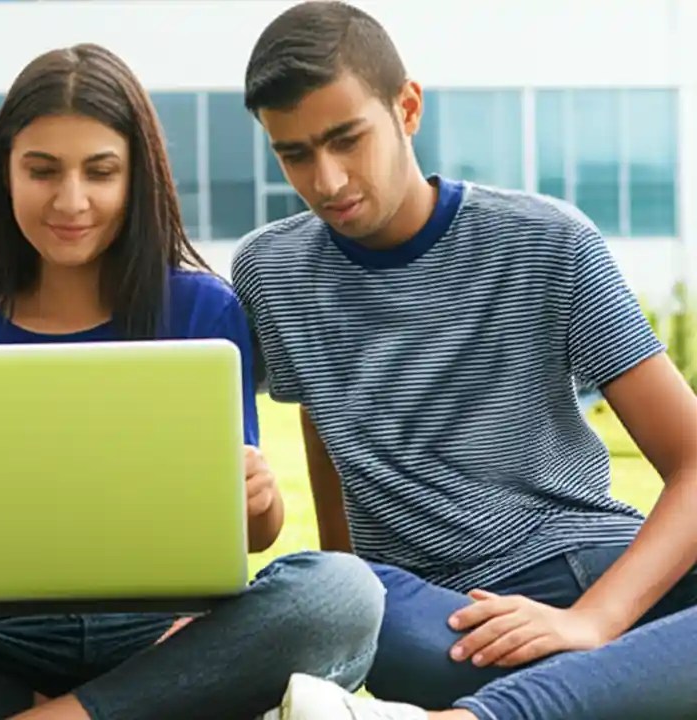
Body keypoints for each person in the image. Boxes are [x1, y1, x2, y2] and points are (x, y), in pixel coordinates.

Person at [0, 43, 384, 720]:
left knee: (343, 591)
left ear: (136, 178)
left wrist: (257, 500)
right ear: (5, 174)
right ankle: (101, 712)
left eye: (100, 172)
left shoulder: (202, 309)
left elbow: (255, 538)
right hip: (2, 646)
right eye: (43, 171)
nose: (71, 200)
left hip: (169, 642)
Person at [230, 2, 697, 719]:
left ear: (407, 108)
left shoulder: (551, 242)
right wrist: (346, 596)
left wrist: (592, 621)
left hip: (591, 565)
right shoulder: (271, 271)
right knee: (344, 601)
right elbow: (322, 432)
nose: (325, 180)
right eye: (294, 154)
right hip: (434, 614)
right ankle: (614, 686)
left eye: (346, 139)